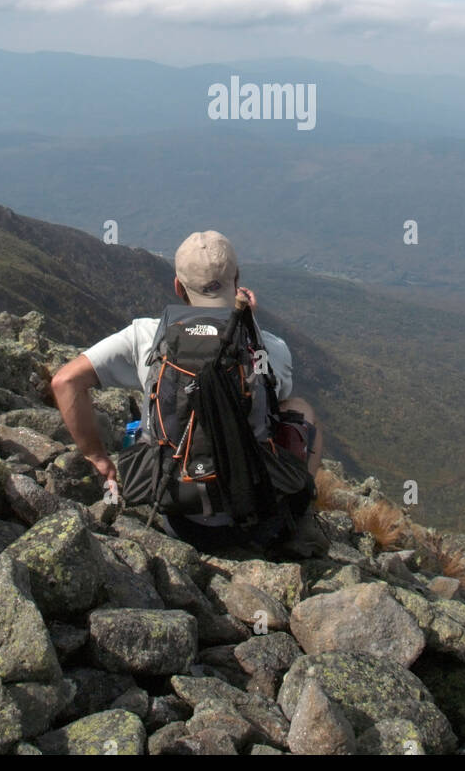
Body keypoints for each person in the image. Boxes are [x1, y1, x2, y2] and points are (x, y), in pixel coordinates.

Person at [50, 230, 325, 553]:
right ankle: (298, 510)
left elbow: (64, 382)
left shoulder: (147, 337)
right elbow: (272, 411)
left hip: (176, 516)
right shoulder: (270, 349)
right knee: (302, 410)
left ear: (178, 286)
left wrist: (96, 457)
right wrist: (250, 328)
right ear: (236, 280)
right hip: (253, 523)